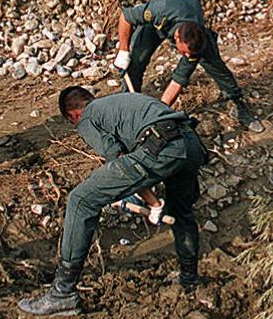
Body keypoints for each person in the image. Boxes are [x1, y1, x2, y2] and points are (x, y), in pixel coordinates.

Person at [19, 87, 207, 316]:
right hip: (190, 144)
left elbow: (118, 159)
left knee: (80, 201)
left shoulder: (88, 117)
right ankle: (190, 280)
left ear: (73, 115)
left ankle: (62, 293)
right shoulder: (121, 102)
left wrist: (153, 203)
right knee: (180, 213)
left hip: (161, 146)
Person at [114, 0, 263, 132]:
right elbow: (125, 17)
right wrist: (123, 50)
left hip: (189, 16)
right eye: (183, 52)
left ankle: (238, 102)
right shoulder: (158, 11)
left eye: (189, 54)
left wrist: (159, 114)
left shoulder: (197, 42)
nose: (186, 56)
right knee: (135, 62)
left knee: (216, 67)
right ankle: (130, 106)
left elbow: (178, 81)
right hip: (161, 18)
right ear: (177, 38)